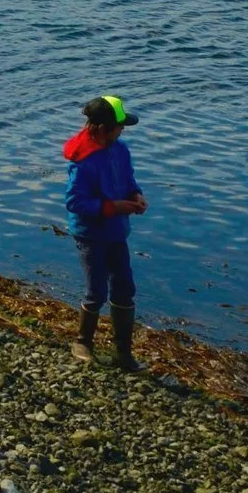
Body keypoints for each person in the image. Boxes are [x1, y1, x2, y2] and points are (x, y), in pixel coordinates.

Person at [64, 94, 147, 371]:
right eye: (119, 126)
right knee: (96, 290)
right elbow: (75, 202)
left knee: (124, 288)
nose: (122, 130)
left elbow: (128, 180)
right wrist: (113, 207)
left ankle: (122, 352)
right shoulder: (83, 161)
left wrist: (136, 195)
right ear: (101, 128)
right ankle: (82, 341)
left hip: (116, 232)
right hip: (91, 234)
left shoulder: (120, 149)